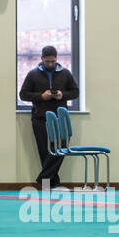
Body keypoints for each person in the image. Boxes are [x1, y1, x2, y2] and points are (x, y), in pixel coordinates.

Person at [18, 45, 79, 188]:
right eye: (47, 61)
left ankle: (43, 178)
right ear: (42, 59)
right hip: (40, 118)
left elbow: (75, 92)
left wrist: (62, 95)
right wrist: (41, 96)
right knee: (44, 151)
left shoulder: (65, 73)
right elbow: (23, 94)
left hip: (60, 118)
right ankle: (51, 183)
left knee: (61, 148)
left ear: (57, 59)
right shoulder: (32, 74)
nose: (50, 64)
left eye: (53, 61)